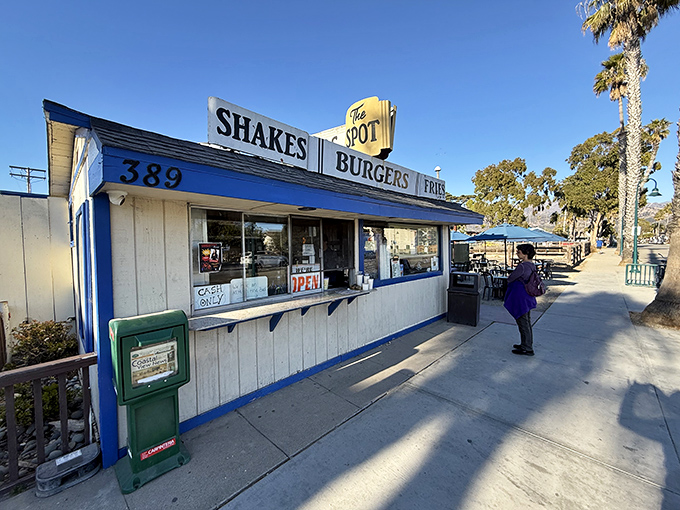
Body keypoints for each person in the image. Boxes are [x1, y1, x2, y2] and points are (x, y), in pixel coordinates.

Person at [504, 243, 538, 356]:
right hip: (528, 297)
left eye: (519, 252)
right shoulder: (532, 265)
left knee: (523, 322)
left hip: (521, 297)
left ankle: (527, 347)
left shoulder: (522, 266)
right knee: (526, 322)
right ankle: (526, 343)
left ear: (526, 253)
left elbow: (511, 278)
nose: (517, 254)